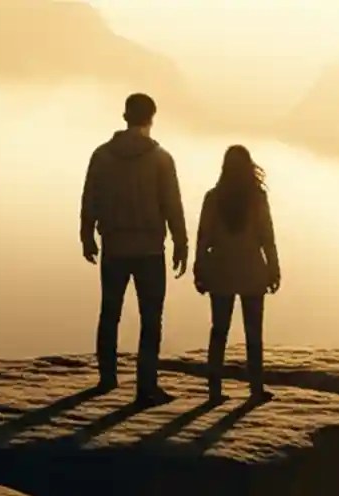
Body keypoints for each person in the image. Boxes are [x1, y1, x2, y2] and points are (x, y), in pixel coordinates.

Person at [79, 93, 189, 406]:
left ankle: (107, 378)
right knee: (150, 318)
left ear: (124, 115)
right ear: (151, 118)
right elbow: (172, 204)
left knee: (109, 313)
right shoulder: (161, 158)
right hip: (150, 250)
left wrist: (87, 235)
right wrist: (181, 242)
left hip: (114, 247)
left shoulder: (101, 155)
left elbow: (90, 198)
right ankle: (146, 386)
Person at [194, 145, 281, 404]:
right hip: (252, 269)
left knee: (219, 330)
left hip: (220, 268)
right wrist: (274, 268)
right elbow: (267, 236)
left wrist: (199, 268)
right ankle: (256, 388)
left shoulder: (213, 197)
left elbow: (203, 237)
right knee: (254, 333)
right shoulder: (257, 198)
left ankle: (215, 390)